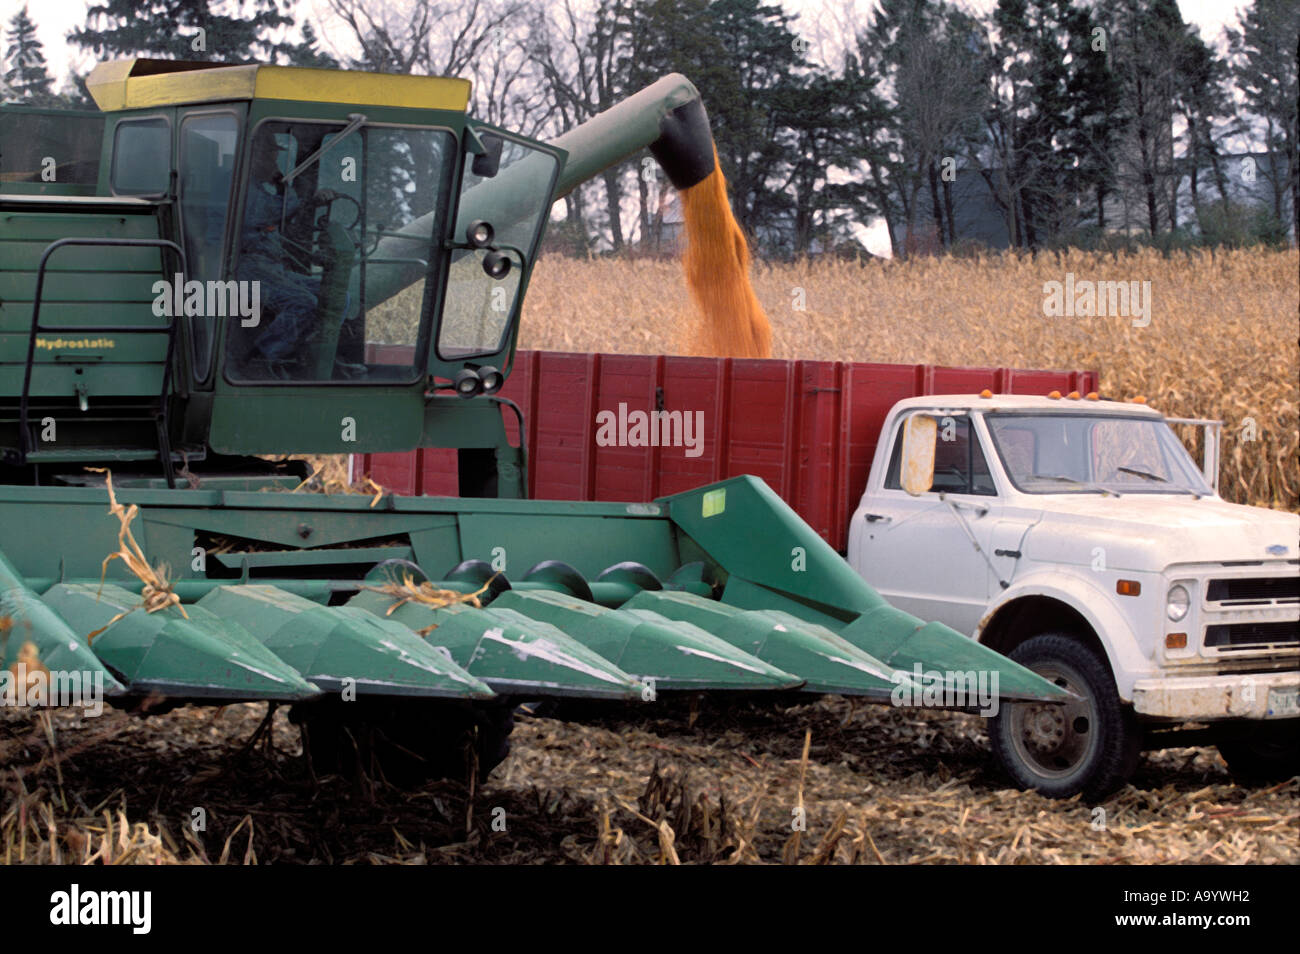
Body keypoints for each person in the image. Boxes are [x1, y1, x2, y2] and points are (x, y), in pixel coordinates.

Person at [235, 139, 322, 371]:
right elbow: (278, 210)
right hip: (245, 269)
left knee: (336, 296)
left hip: (269, 268)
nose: (274, 163)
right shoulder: (245, 191)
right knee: (304, 303)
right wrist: (285, 187)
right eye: (271, 157)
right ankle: (260, 358)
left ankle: (308, 350)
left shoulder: (259, 191)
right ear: (255, 158)